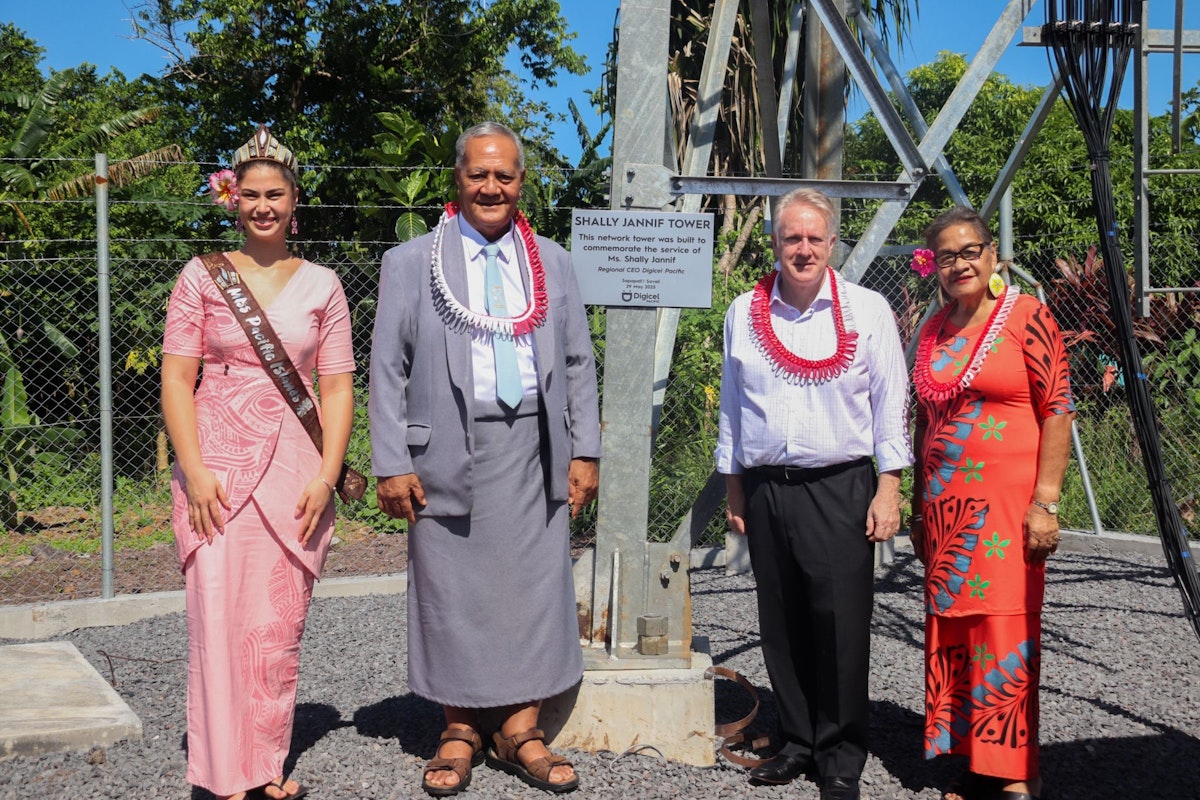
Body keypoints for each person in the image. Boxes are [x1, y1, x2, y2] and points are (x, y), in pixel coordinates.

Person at [369, 121, 601, 796]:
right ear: (458, 178)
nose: (491, 187)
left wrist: (585, 449)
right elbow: (387, 367)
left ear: (521, 182)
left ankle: (522, 729)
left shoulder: (553, 261)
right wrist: (391, 461)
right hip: (442, 449)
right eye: (479, 174)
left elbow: (578, 360)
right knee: (451, 589)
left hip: (534, 449)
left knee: (533, 588)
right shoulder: (411, 262)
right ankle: (459, 728)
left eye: (504, 175)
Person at [161, 125, 356, 800]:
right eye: (251, 195)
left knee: (276, 622)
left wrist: (327, 476)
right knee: (218, 619)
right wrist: (194, 467)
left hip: (297, 473)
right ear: (233, 200)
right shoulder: (201, 275)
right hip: (214, 470)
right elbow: (176, 378)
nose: (263, 206)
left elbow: (337, 387)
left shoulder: (325, 285)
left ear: (294, 201)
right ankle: (224, 774)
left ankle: (266, 763)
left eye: (275, 194)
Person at [716, 188, 912, 800]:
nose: (802, 249)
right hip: (766, 487)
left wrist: (889, 486)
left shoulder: (867, 310)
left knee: (839, 623)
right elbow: (732, 408)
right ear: (776, 243)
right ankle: (798, 741)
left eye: (813, 238)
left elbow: (891, 402)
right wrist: (735, 487)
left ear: (832, 243)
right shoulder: (743, 313)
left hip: (838, 486)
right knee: (781, 622)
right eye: (791, 238)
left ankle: (840, 756)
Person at [911, 208, 1075, 800]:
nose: (960, 264)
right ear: (933, 266)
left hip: (1006, 511)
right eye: (946, 256)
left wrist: (1046, 503)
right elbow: (924, 420)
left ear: (991, 254)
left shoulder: (1026, 316)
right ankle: (977, 762)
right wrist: (916, 507)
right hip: (945, 515)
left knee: (1005, 630)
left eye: (969, 251)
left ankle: (1016, 771)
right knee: (957, 632)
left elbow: (1058, 408)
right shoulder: (934, 329)